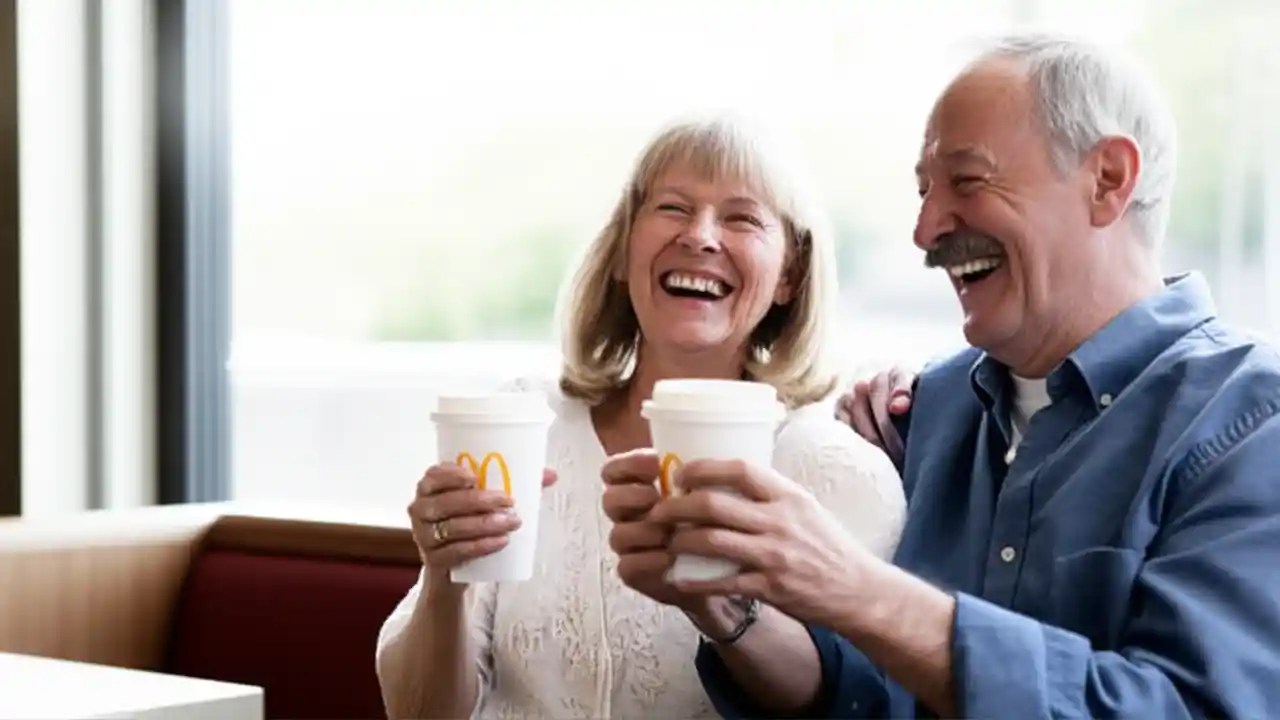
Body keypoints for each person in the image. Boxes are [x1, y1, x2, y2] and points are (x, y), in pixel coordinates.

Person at [603, 34, 1280, 718]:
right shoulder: (918, 414)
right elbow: (872, 700)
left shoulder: (1252, 423)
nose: (926, 229)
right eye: (924, 191)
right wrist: (729, 611)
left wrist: (855, 588)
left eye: (968, 180)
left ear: (1106, 180)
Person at [374, 117, 907, 719]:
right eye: (674, 208)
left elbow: (850, 706)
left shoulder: (828, 467)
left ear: (789, 275)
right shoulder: (526, 425)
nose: (701, 236)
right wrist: (446, 575)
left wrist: (716, 601)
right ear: (625, 250)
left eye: (741, 218)